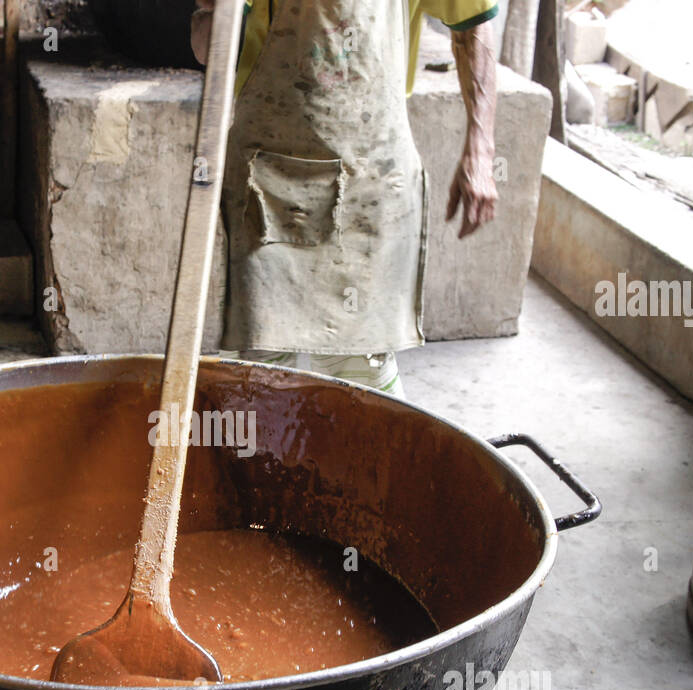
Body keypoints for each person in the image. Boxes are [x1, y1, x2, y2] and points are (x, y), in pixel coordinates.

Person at [193, 0, 499, 397]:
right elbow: (205, 47)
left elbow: (472, 28)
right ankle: (255, 458)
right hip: (267, 181)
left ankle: (377, 458)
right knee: (259, 361)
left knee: (362, 363)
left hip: (369, 178)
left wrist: (482, 149)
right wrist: (212, 13)